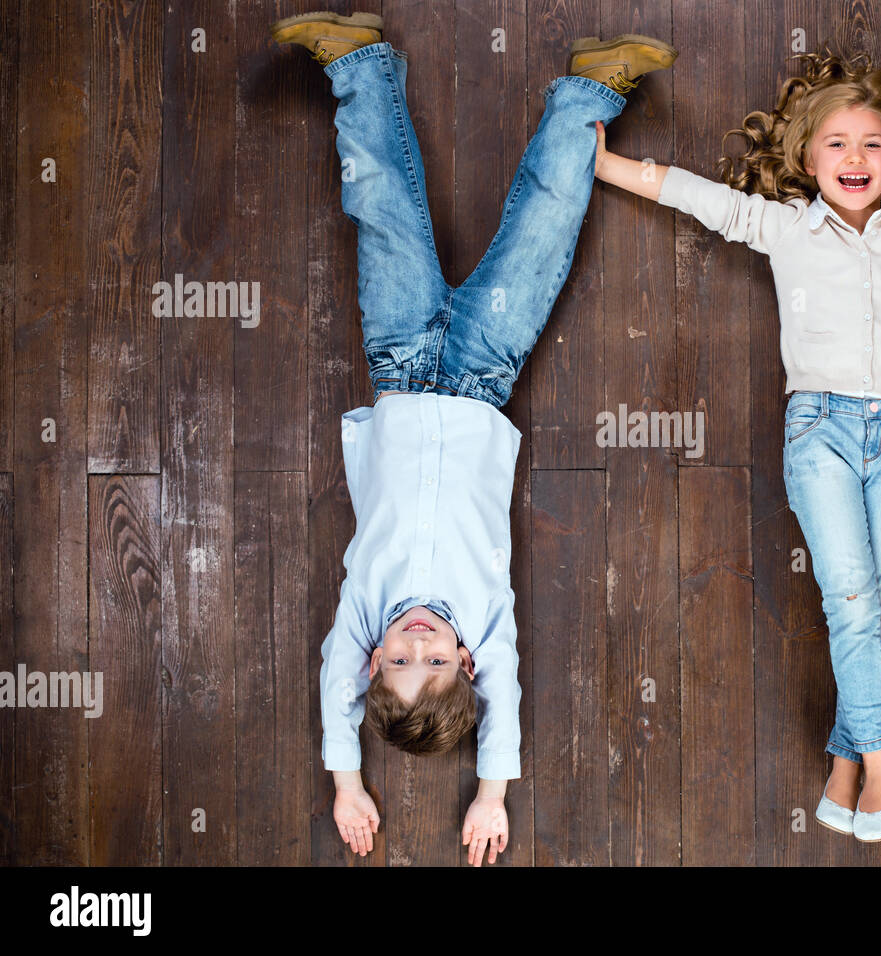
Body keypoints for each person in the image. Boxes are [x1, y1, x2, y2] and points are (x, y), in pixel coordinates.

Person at [271, 11, 676, 865]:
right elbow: (511, 706)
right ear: (466, 661)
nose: (416, 640)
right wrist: (491, 796)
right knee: (546, 230)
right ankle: (592, 92)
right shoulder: (488, 625)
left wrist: (346, 784)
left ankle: (358, 64)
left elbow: (330, 693)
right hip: (486, 372)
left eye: (397, 658)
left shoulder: (362, 610)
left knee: (383, 212)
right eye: (434, 658)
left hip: (401, 360)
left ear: (370, 659)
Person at [594, 49, 881, 843]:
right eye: (836, 143)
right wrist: (605, 162)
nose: (854, 159)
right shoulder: (784, 225)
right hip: (818, 431)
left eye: (871, 145)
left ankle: (843, 764)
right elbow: (693, 197)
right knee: (852, 602)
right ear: (806, 156)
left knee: (875, 609)